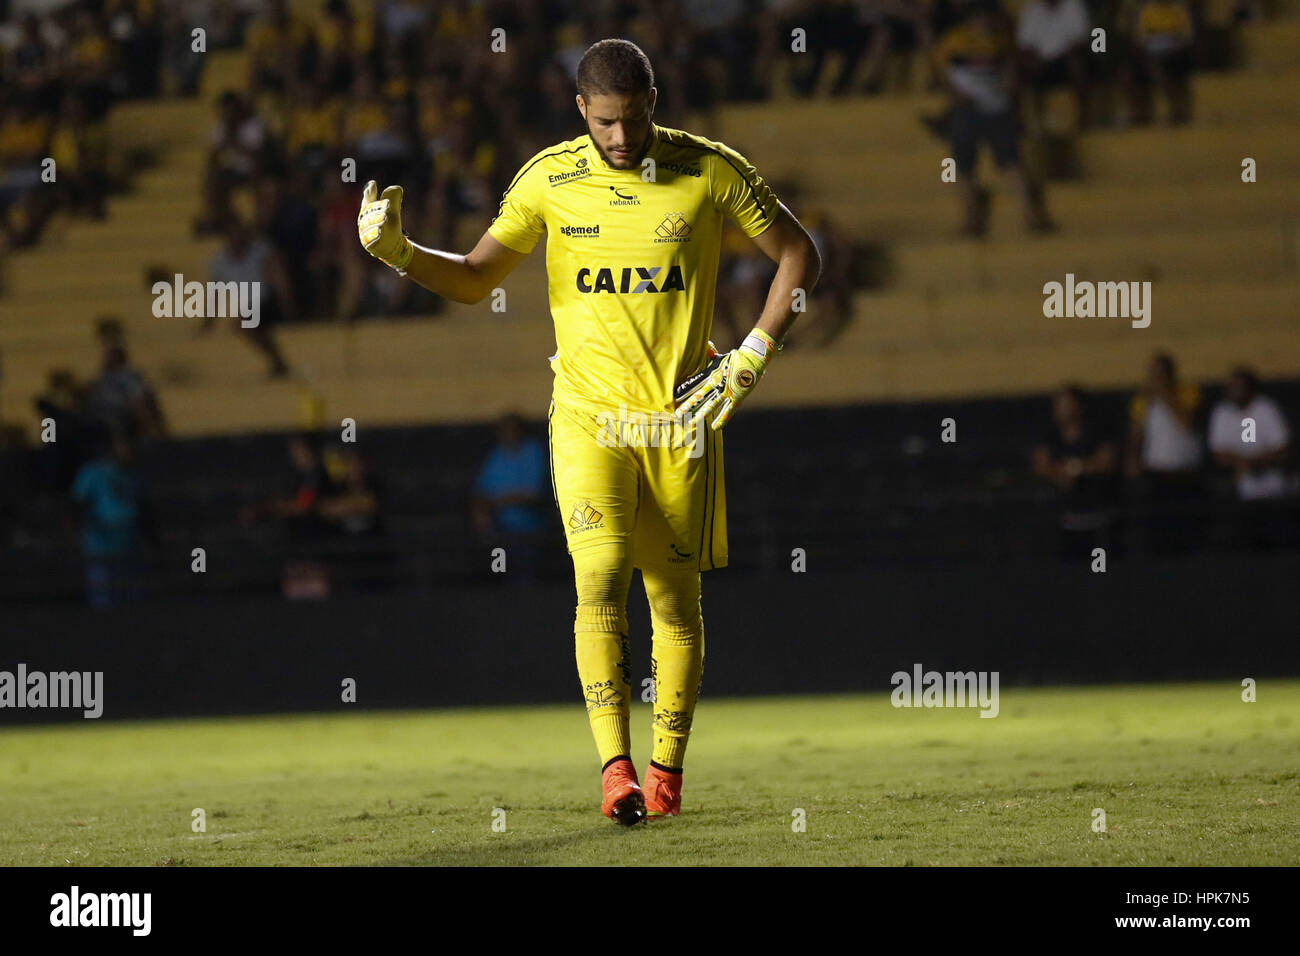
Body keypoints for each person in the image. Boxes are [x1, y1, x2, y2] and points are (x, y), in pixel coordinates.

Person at [356, 38, 820, 824]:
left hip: (681, 420)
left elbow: (798, 253)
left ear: (654, 104)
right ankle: (616, 772)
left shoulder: (708, 169)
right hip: (587, 419)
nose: (619, 139)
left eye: (632, 120)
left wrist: (753, 353)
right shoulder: (549, 179)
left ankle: (666, 773)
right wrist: (398, 252)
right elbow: (474, 278)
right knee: (599, 576)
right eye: (604, 122)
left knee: (674, 603)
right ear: (580, 110)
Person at [1207, 367, 1294, 548]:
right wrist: (1242, 463)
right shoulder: (1222, 412)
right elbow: (1218, 454)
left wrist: (1254, 462)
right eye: (1232, 387)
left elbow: (1282, 448)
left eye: (1240, 386)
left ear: (1250, 388)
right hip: (1237, 483)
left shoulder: (1265, 408)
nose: (1235, 391)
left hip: (1270, 480)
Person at [1031, 385, 1121, 559]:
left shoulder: (1098, 432)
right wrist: (1060, 474)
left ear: (1079, 406)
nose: (1063, 409)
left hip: (1100, 521)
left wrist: (1075, 468)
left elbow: (1106, 462)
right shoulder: (1050, 437)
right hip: (1066, 522)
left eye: (1068, 403)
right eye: (1059, 404)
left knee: (1100, 572)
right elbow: (1041, 466)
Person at [1127, 352, 1204, 552]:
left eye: (1161, 374)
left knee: (1187, 528)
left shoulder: (1187, 392)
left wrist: (1166, 395)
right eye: (1153, 374)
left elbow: (1187, 423)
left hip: (1185, 472)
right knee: (1159, 530)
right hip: (1156, 473)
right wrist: (1133, 459)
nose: (1157, 379)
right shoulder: (1143, 400)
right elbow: (1137, 433)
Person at [471, 413, 550, 584]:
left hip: (529, 525)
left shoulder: (533, 452)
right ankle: (498, 584)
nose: (508, 435)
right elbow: (481, 493)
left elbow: (532, 495)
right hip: (500, 527)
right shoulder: (496, 456)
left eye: (512, 430)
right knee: (497, 557)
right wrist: (483, 513)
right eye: (504, 431)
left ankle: (526, 591)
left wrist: (497, 502)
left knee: (523, 564)